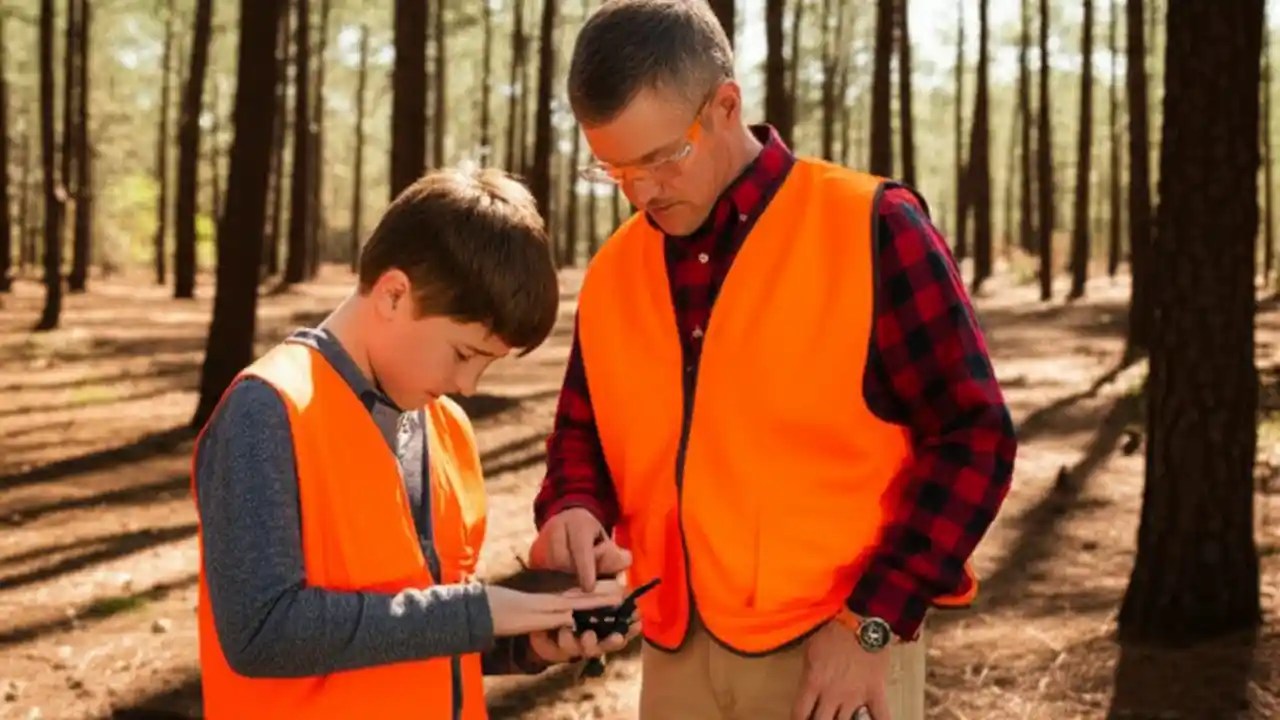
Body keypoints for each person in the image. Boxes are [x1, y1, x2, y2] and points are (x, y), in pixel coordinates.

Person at [527, 1, 1018, 719]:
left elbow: (975, 437)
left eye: (662, 159)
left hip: (834, 654)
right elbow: (582, 433)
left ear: (726, 106)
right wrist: (571, 506)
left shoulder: (873, 227)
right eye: (614, 169)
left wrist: (871, 623)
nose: (641, 193)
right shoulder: (613, 271)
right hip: (673, 657)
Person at [191, 167, 636, 720]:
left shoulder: (444, 425)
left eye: (488, 363)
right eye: (464, 354)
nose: (469, 386)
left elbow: (418, 627)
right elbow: (262, 632)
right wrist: (483, 612)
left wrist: (528, 633)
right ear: (394, 293)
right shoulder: (268, 409)